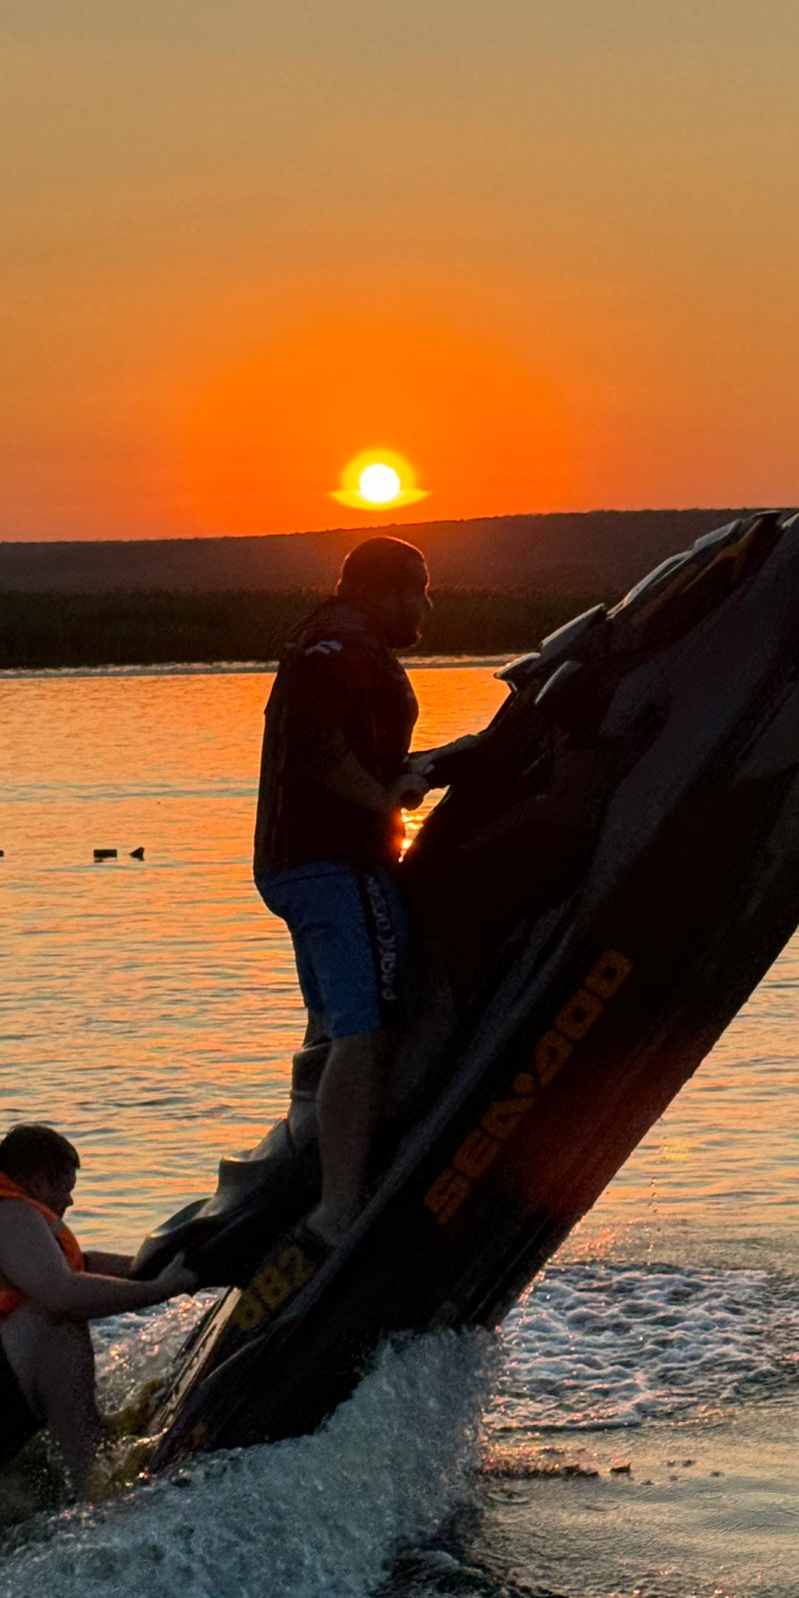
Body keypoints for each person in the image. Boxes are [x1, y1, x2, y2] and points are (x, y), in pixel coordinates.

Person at [253, 536, 437, 1251]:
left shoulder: (326, 642)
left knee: (334, 1023)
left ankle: (309, 1172)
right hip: (330, 865)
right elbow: (319, 751)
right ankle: (337, 1207)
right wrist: (386, 802)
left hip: (303, 866)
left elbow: (350, 751)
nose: (426, 607)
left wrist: (420, 770)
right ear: (384, 589)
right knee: (364, 1026)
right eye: (419, 591)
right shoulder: (339, 650)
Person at [0, 1123, 201, 1495]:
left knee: (58, 1299)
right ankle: (92, 1471)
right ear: (39, 1181)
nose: (69, 1203)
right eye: (65, 1190)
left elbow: (82, 1265)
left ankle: (94, 1432)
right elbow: (62, 1293)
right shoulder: (7, 1217)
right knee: (54, 1312)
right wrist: (162, 1290)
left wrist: (176, 1267)